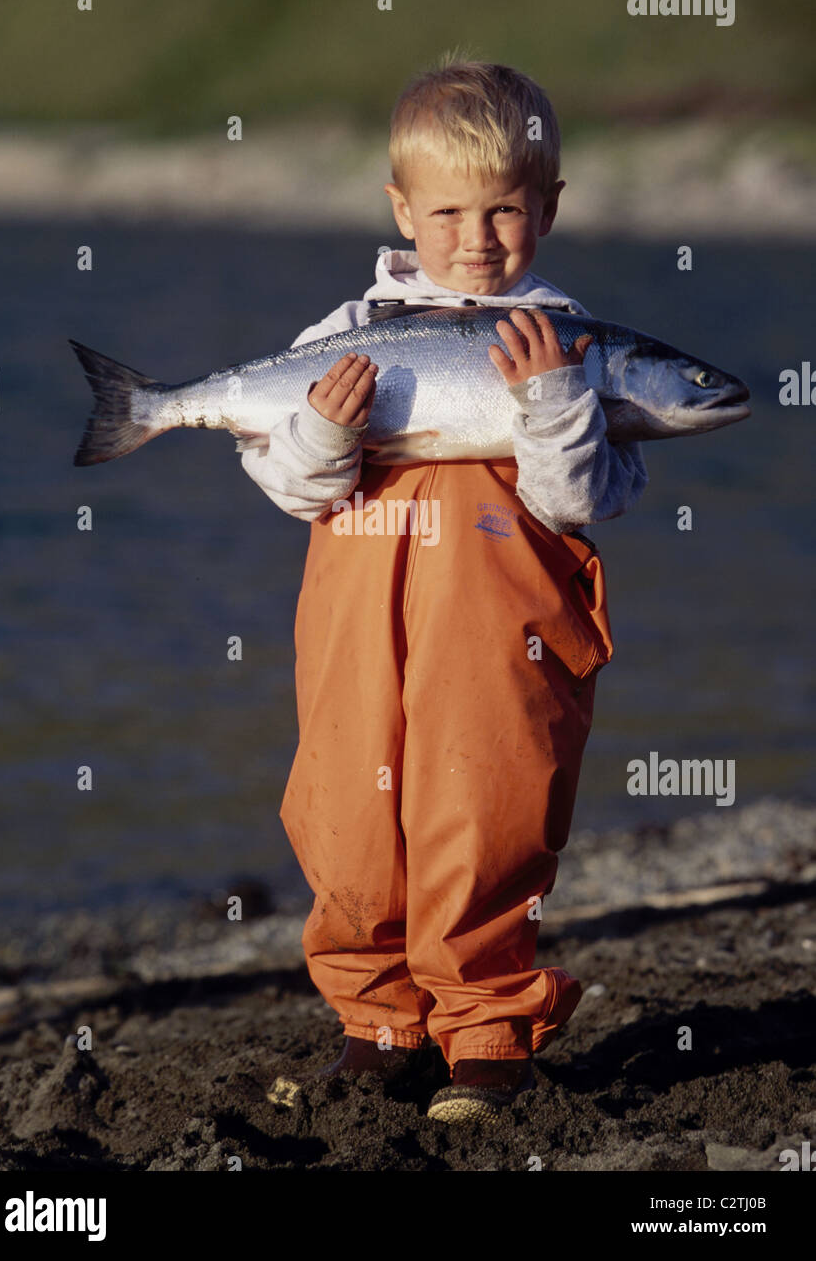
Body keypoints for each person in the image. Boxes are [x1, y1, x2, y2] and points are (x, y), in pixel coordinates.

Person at [239, 59, 648, 1125]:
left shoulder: (571, 342)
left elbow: (593, 497)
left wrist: (557, 405)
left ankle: (485, 1039)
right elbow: (289, 487)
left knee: (486, 820)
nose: (477, 239)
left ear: (548, 209)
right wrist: (324, 432)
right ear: (401, 211)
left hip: (504, 645)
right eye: (450, 212)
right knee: (346, 828)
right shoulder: (347, 329)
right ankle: (376, 1028)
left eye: (505, 209)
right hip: (353, 644)